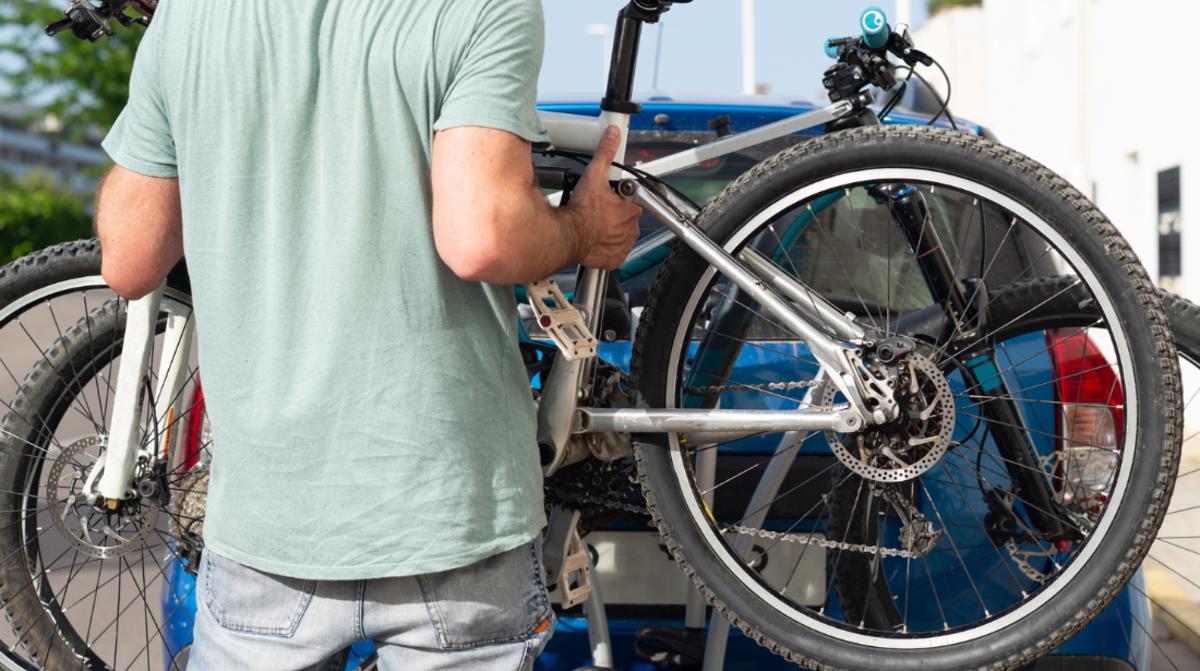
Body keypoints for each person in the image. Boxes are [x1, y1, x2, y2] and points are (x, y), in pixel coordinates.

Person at [95, 0, 642, 667]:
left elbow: (129, 259)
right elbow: (485, 236)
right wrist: (585, 229)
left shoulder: (189, 18)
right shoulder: (484, 9)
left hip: (267, 523)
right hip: (455, 518)